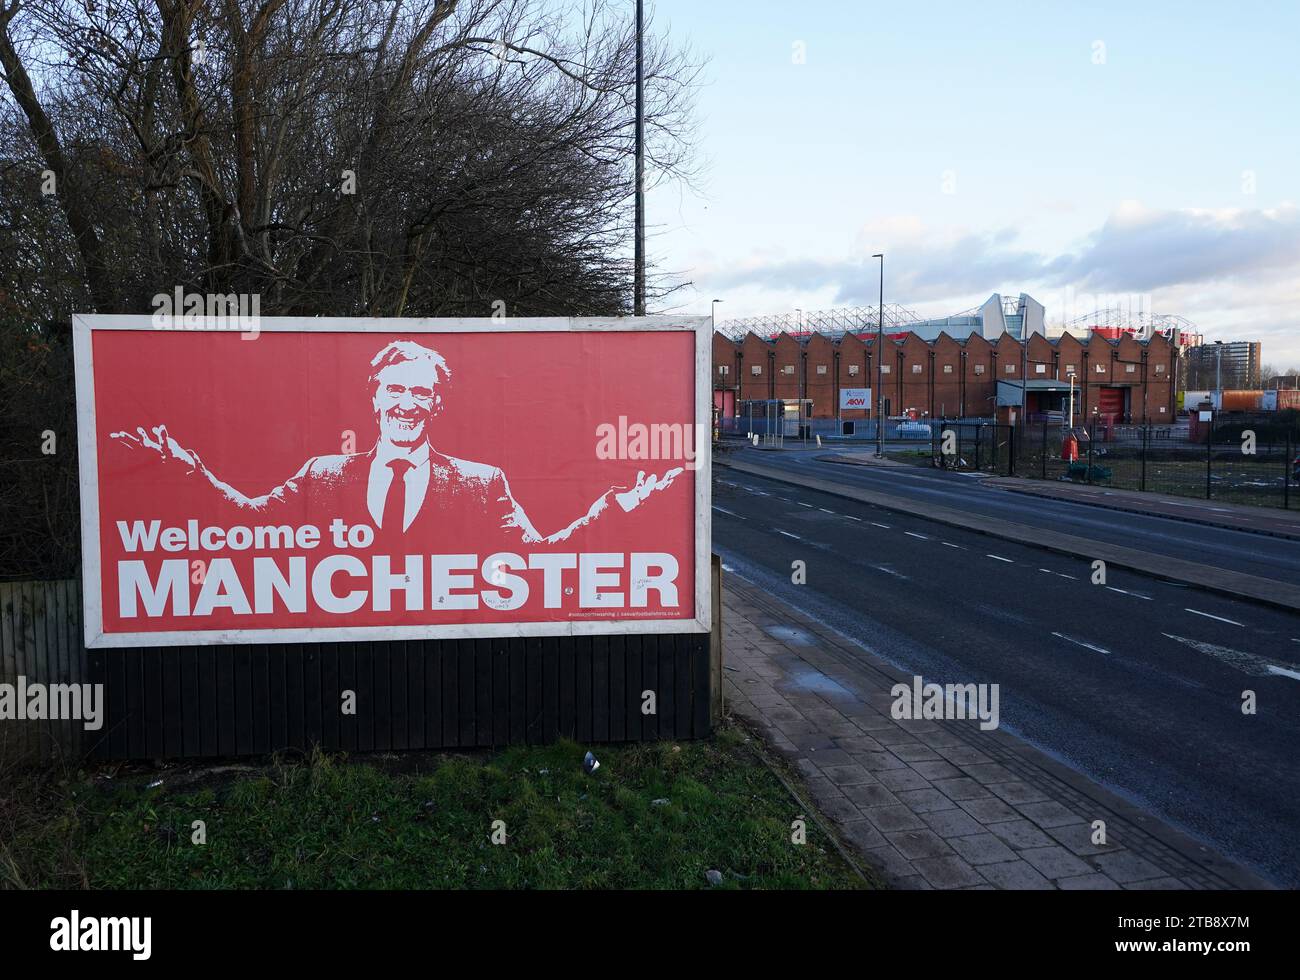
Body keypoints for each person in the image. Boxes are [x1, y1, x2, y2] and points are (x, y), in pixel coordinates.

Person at [111, 340, 681, 546]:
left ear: (437, 403)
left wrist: (616, 508)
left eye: (420, 393)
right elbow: (252, 527)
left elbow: (539, 559)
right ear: (374, 397)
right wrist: (188, 471)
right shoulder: (323, 474)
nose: (407, 403)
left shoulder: (482, 483)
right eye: (395, 390)